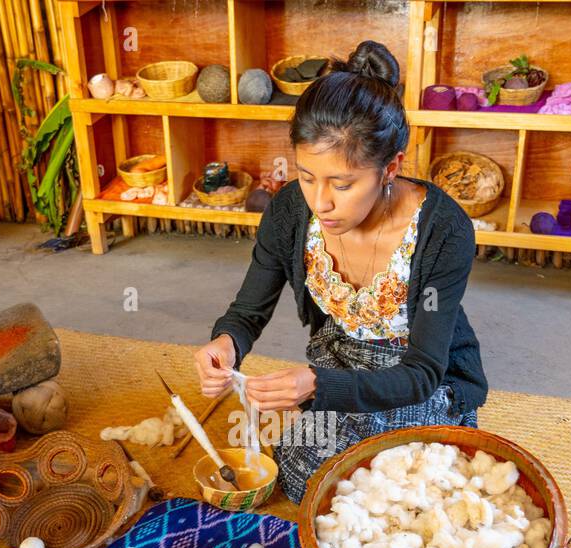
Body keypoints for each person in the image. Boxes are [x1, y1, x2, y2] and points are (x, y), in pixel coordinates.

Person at [194, 40, 489, 504]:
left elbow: (423, 372)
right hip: (343, 355)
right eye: (308, 176)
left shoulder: (443, 230)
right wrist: (226, 343)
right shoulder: (291, 211)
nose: (321, 202)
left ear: (390, 167)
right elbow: (248, 310)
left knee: (394, 492)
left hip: (414, 374)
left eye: (343, 183)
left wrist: (316, 385)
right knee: (305, 482)